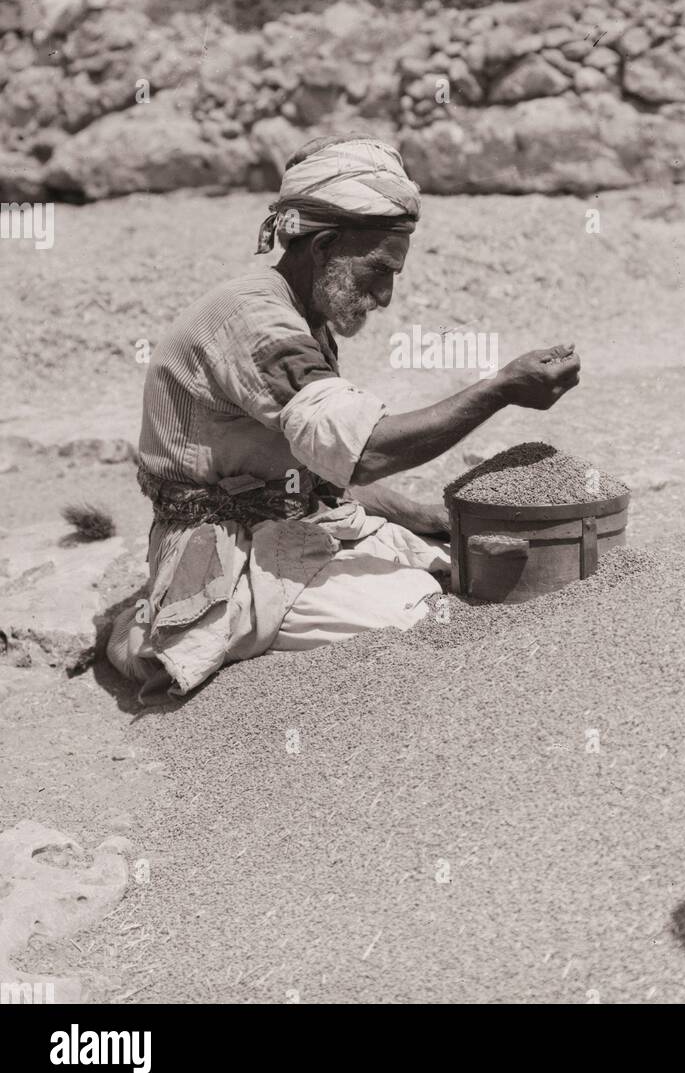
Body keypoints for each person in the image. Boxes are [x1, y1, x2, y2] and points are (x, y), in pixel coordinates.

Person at [108, 134, 580, 698]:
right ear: (326, 244)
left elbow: (314, 476)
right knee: (428, 617)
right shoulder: (257, 322)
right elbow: (364, 453)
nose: (384, 297)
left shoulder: (304, 316)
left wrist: (423, 514)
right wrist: (500, 389)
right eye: (379, 272)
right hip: (227, 549)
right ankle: (151, 631)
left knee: (464, 571)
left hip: (295, 522)